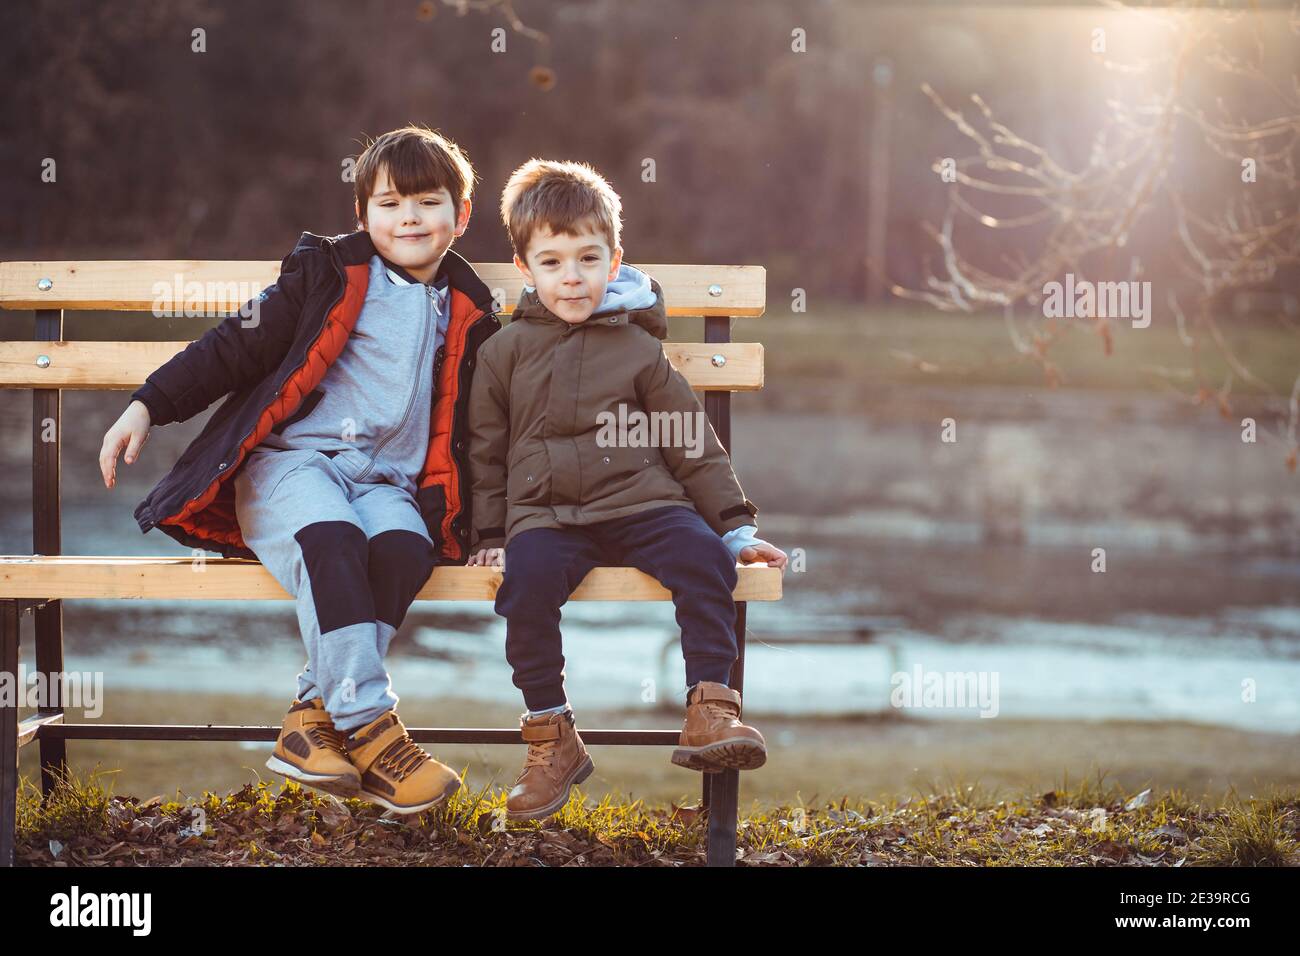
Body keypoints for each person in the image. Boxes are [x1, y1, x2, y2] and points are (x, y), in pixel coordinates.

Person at [98, 125, 500, 814]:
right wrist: (148, 404)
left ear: (461, 216)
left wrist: (494, 524)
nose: (408, 216)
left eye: (429, 202)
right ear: (361, 215)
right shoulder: (328, 275)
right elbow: (235, 346)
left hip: (388, 486)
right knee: (333, 541)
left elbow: (484, 437)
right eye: (389, 203)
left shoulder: (470, 311)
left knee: (406, 548)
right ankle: (373, 729)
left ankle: (310, 721)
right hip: (294, 469)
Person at [466, 158, 788, 821]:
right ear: (525, 269)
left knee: (705, 560)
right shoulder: (505, 352)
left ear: (615, 261)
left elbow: (689, 442)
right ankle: (552, 735)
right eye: (552, 263)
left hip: (643, 505)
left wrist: (736, 528)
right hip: (546, 516)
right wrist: (491, 536)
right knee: (523, 589)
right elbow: (485, 453)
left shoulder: (640, 351)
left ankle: (710, 708)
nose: (573, 277)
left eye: (588, 258)